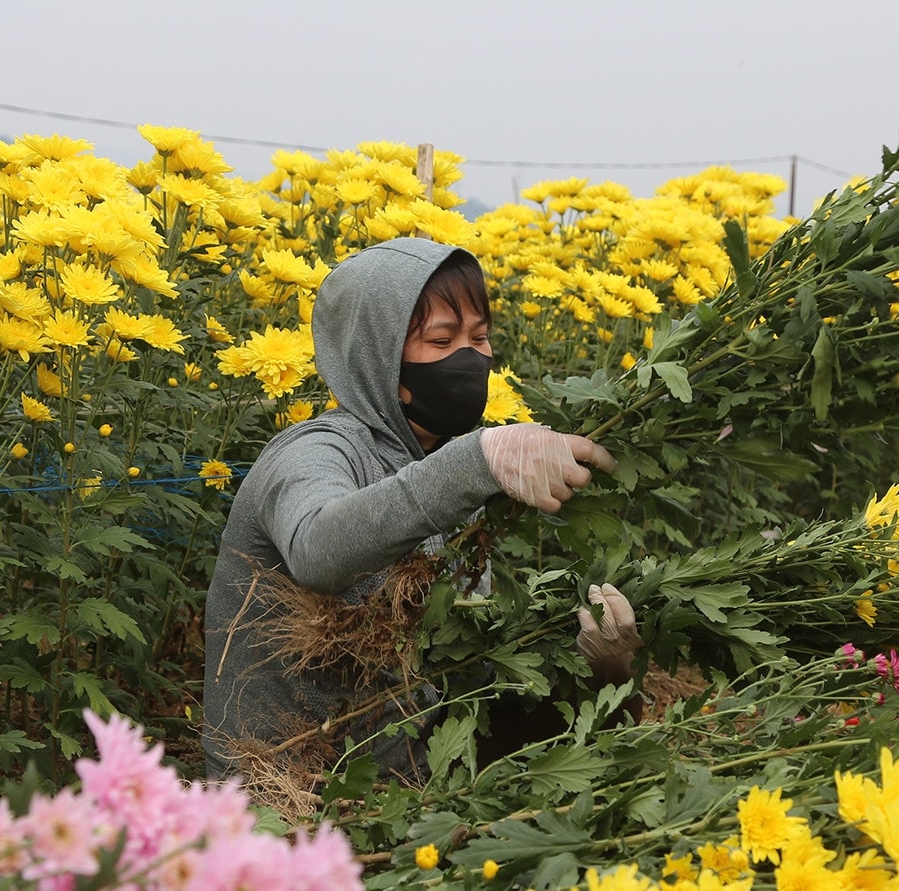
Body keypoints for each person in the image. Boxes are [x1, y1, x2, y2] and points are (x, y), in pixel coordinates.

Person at [202, 237, 637, 782]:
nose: (470, 358)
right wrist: (477, 461)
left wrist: (599, 662)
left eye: (480, 338)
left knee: (603, 746)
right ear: (375, 357)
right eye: (441, 339)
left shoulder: (442, 471)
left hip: (408, 794)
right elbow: (316, 548)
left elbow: (469, 667)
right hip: (284, 797)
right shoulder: (313, 452)